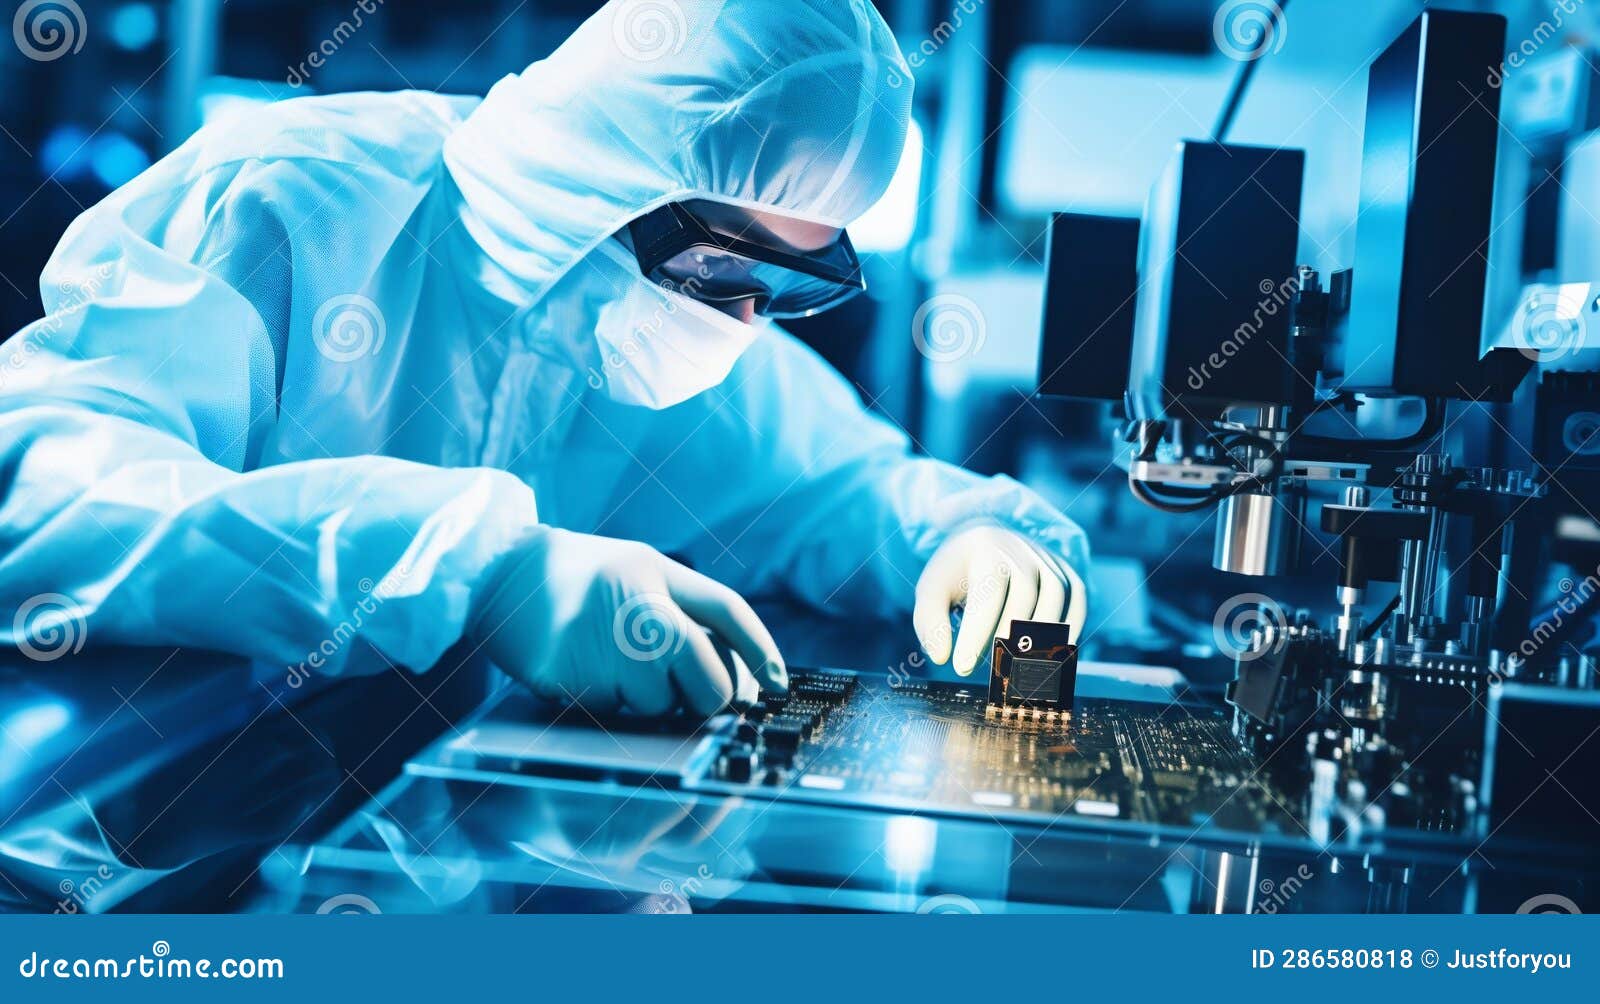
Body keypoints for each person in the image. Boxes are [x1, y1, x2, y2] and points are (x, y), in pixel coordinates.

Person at [0, 0, 1087, 717]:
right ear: (603, 186)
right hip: (116, 854)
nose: (744, 324)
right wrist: (482, 569)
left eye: (784, 287)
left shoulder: (663, 327)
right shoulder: (292, 196)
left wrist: (972, 536)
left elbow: (847, 486)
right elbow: (40, 487)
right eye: (727, 268)